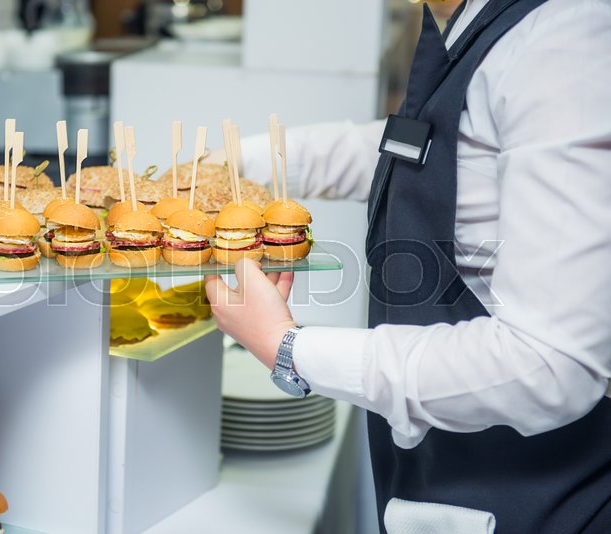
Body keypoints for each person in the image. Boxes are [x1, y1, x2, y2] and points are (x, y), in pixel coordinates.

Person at [204, 1, 611, 532]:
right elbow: (428, 151)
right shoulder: (464, 22)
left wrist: (288, 346)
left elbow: (551, 364)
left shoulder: (563, 41)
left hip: (537, 492)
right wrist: (233, 166)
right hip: (450, 473)